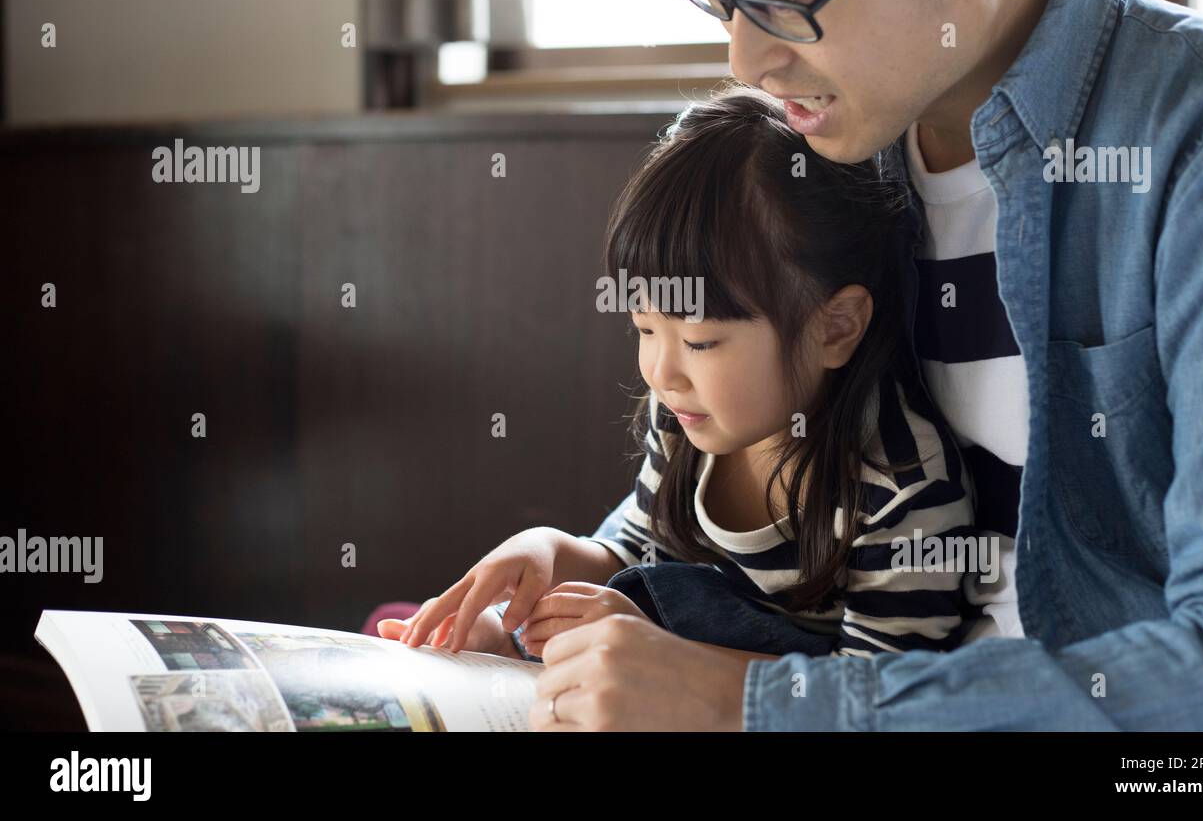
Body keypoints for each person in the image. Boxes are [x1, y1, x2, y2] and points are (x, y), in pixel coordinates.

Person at [510, 0, 1203, 730]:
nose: (744, 57)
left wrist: (746, 704)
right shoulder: (819, 145)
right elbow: (744, 442)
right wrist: (585, 564)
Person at [375, 86, 981, 668]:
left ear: (836, 327)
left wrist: (666, 658)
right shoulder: (686, 418)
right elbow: (633, 553)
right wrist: (549, 552)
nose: (662, 373)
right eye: (644, 329)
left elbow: (881, 692)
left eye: (700, 341)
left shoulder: (902, 488)